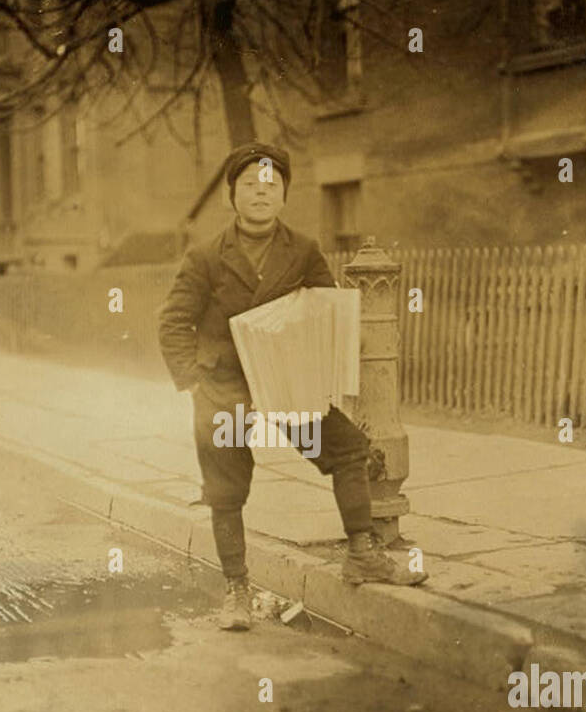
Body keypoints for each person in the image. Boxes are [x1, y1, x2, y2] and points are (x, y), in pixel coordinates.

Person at [158, 141, 429, 632]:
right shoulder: (204, 257)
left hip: (287, 386)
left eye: (271, 185)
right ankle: (237, 590)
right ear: (231, 195)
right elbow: (173, 322)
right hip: (226, 391)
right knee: (226, 490)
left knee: (348, 448)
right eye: (249, 186)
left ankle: (363, 555)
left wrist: (322, 363)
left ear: (283, 195)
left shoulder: (302, 250)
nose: (260, 194)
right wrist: (195, 384)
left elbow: (326, 308)